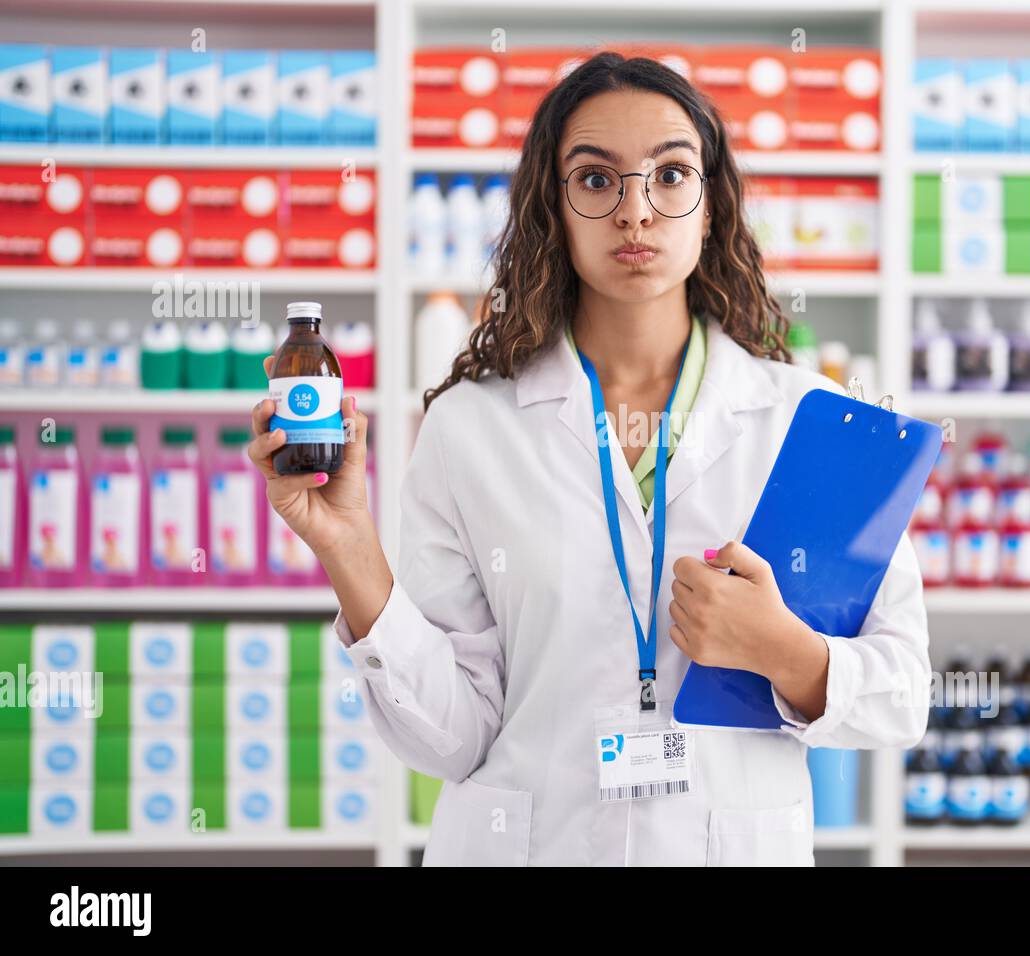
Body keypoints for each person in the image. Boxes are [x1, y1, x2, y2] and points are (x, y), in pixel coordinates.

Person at [248, 51, 929, 866]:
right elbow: (451, 741)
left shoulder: (809, 424)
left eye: (670, 175)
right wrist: (347, 545)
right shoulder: (471, 429)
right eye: (597, 180)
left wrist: (782, 649)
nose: (635, 212)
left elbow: (902, 695)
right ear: (555, 208)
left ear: (709, 207)